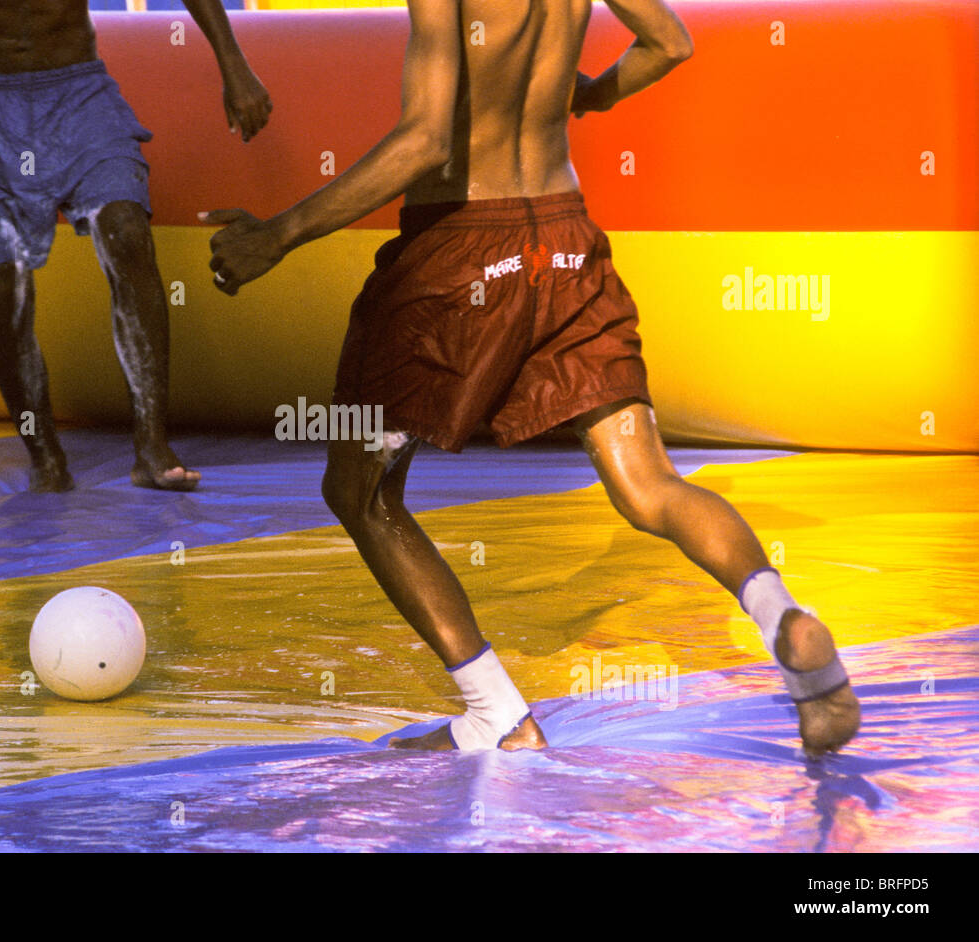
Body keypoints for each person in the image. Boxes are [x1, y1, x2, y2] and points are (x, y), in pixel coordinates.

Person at [205, 0, 860, 756]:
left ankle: (495, 714)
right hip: (564, 241)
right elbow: (669, 43)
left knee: (359, 490)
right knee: (648, 486)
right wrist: (581, 92)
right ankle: (784, 622)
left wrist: (279, 234)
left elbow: (423, 139)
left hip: (460, 251)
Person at [0, 0, 272, 492]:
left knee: (125, 230)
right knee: (0, 280)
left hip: (77, 93)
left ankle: (151, 445)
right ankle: (45, 456)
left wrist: (234, 63)